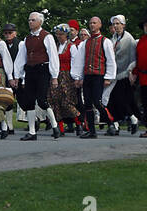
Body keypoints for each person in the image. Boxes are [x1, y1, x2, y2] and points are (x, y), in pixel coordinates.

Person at [12, 11, 61, 140]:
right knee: (29, 101)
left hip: (43, 69)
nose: (30, 22)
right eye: (29, 20)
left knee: (42, 100)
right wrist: (17, 75)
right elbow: (21, 58)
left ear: (40, 22)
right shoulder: (27, 39)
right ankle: (32, 132)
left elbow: (53, 56)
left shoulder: (47, 37)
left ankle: (54, 125)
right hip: (30, 71)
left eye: (33, 20)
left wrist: (54, 76)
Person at [71, 16, 117, 137]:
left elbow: (111, 60)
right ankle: (91, 130)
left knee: (97, 101)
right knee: (87, 103)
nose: (92, 25)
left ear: (100, 25)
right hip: (87, 76)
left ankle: (110, 122)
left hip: (99, 75)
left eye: (94, 23)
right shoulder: (85, 43)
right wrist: (78, 77)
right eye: (90, 23)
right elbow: (80, 61)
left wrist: (108, 77)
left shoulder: (105, 41)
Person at [107, 15, 140, 134]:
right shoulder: (114, 38)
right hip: (114, 72)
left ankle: (133, 118)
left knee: (122, 99)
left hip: (125, 73)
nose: (115, 26)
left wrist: (131, 72)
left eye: (117, 24)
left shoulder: (129, 39)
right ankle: (115, 124)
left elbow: (133, 58)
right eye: (114, 24)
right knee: (111, 99)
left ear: (123, 25)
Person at [49, 23, 82, 134]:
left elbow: (76, 62)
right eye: (57, 34)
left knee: (67, 102)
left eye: (61, 34)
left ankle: (79, 123)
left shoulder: (71, 46)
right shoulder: (56, 46)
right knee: (55, 100)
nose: (59, 36)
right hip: (56, 76)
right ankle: (60, 128)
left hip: (67, 76)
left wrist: (76, 77)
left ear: (66, 35)